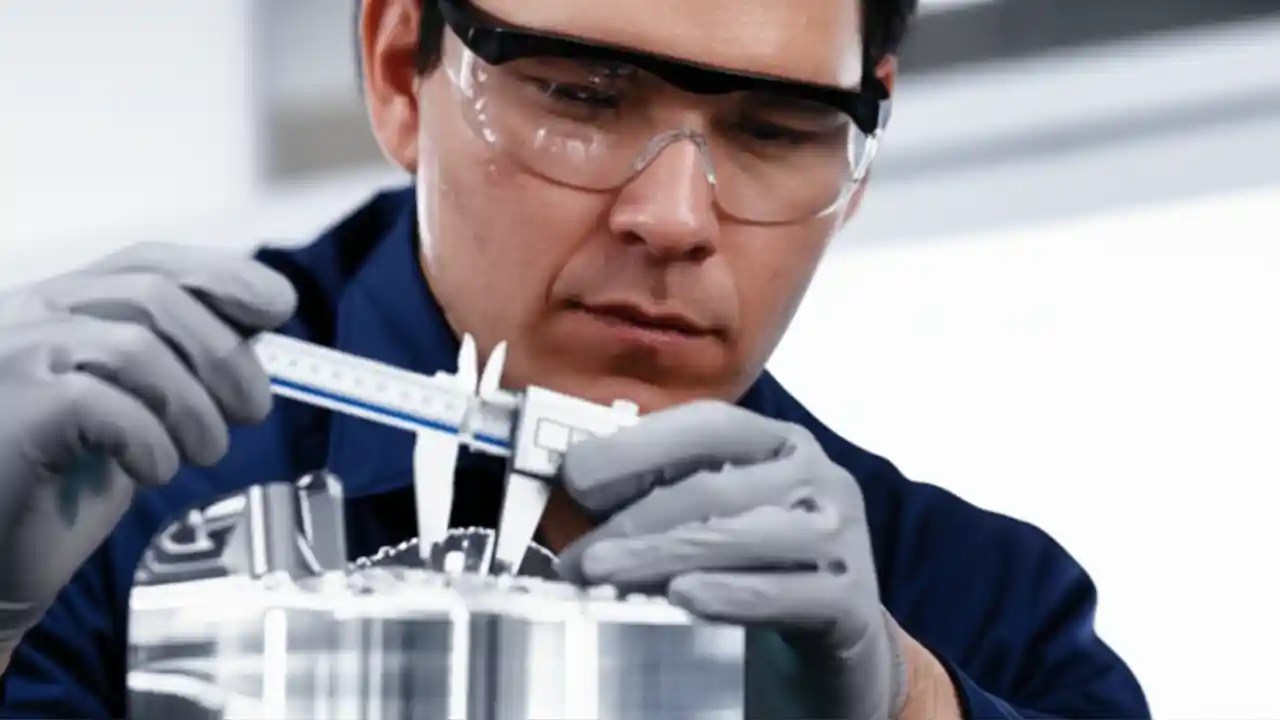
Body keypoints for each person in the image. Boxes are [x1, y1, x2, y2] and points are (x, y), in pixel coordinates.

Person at [0, 0, 1149, 717]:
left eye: (772, 130)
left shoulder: (977, 609)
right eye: (582, 98)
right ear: (403, 64)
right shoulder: (104, 495)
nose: (673, 217)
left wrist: (906, 711)